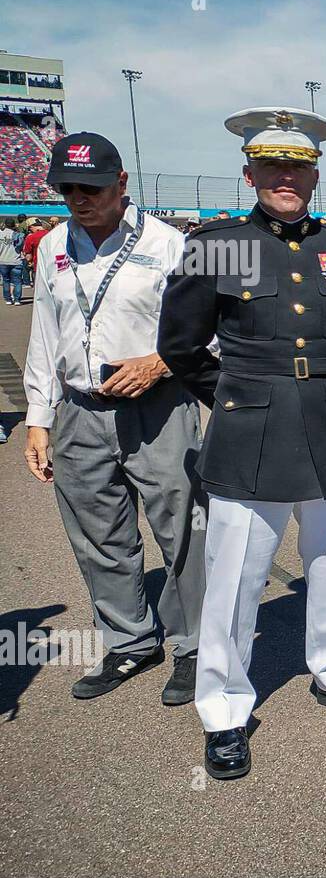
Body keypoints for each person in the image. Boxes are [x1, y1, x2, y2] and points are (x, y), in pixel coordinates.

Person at [158, 107, 326, 781]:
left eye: (298, 167)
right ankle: (226, 709)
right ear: (250, 172)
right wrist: (236, 397)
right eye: (273, 166)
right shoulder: (216, 244)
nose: (286, 177)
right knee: (235, 581)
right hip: (249, 434)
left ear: (316, 175)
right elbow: (178, 345)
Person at [23, 132, 204, 704]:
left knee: (183, 530)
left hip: (158, 406)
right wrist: (38, 416)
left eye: (92, 187)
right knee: (98, 535)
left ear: (121, 184)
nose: (79, 197)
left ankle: (195, 646)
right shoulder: (52, 246)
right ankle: (130, 641)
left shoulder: (171, 244)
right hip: (79, 410)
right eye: (67, 187)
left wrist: (159, 363)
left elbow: (210, 330)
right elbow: (44, 335)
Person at [0, 219, 23, 304]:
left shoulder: (0, 233)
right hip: (15, 260)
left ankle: (8, 299)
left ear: (5, 225)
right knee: (17, 281)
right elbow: (20, 247)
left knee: (6, 280)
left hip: (3, 260)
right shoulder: (18, 235)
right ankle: (17, 300)